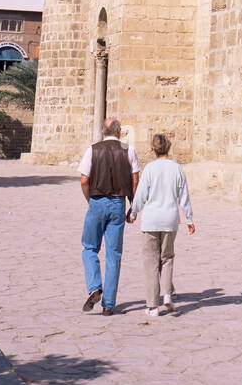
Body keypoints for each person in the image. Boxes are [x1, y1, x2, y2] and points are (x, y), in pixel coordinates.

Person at [127, 132, 195, 319]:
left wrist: (133, 213)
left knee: (150, 262)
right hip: (170, 219)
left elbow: (141, 195)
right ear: (169, 147)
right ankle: (167, 295)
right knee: (167, 258)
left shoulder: (149, 169)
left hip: (151, 220)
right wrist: (189, 219)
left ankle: (152, 306)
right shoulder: (177, 169)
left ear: (153, 149)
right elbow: (184, 196)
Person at [79, 118, 140, 314]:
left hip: (97, 201)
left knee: (89, 248)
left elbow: (84, 180)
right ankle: (108, 305)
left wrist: (91, 201)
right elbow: (135, 179)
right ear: (119, 131)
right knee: (114, 254)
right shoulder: (129, 150)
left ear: (103, 132)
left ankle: (95, 287)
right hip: (118, 204)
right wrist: (133, 207)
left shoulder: (93, 149)